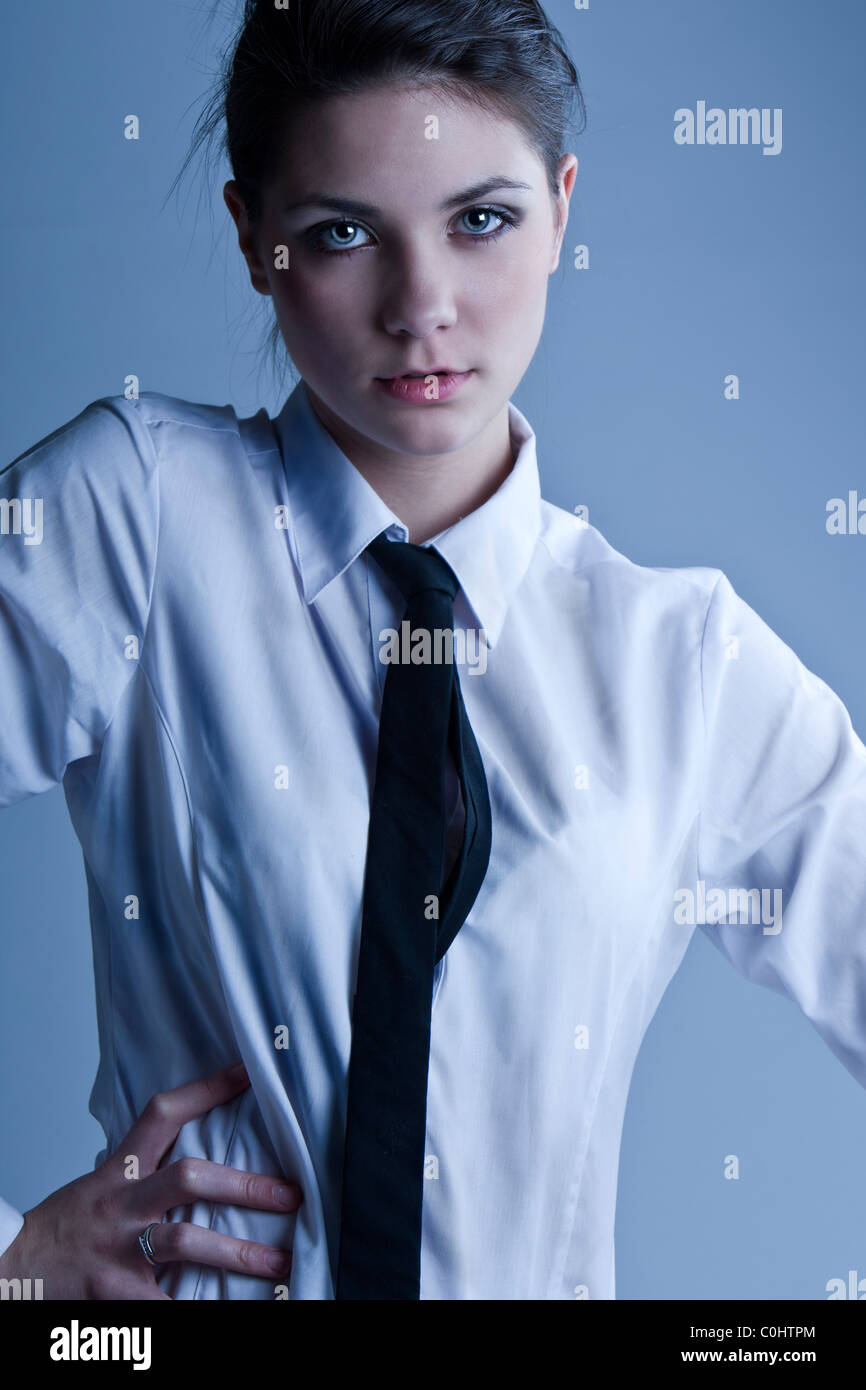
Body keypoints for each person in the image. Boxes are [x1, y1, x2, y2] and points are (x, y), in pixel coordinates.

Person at [1, 0, 864, 1302]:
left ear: (562, 207)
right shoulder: (132, 519)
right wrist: (8, 1256)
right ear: (253, 238)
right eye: (342, 232)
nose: (423, 307)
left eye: (481, 219)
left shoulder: (678, 660)